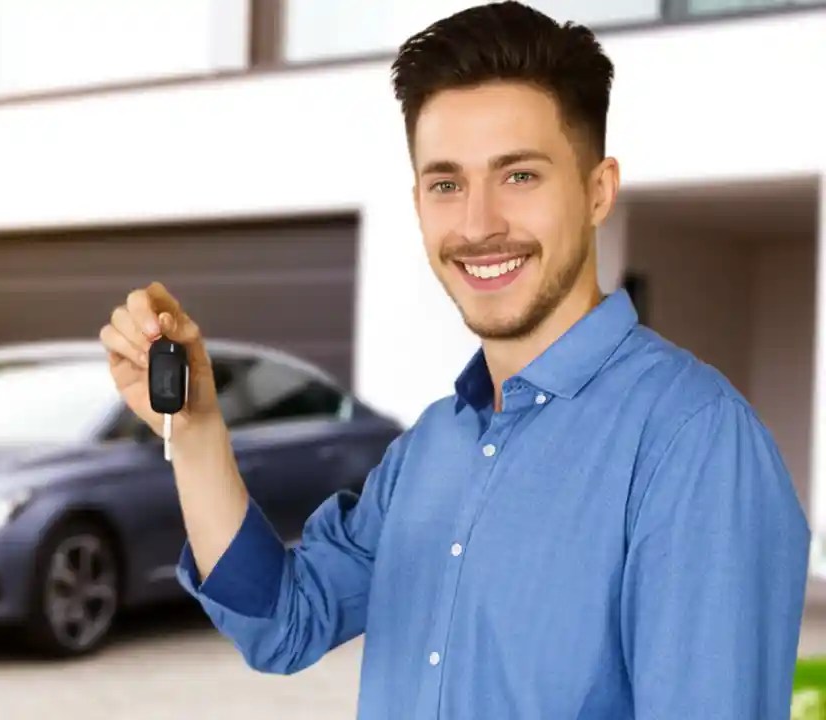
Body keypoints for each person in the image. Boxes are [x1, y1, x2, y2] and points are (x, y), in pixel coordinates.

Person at [97, 2, 809, 717]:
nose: (477, 225)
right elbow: (284, 621)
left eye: (519, 176)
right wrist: (193, 430)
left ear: (598, 190)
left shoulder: (695, 444)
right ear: (417, 202)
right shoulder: (430, 449)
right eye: (446, 184)